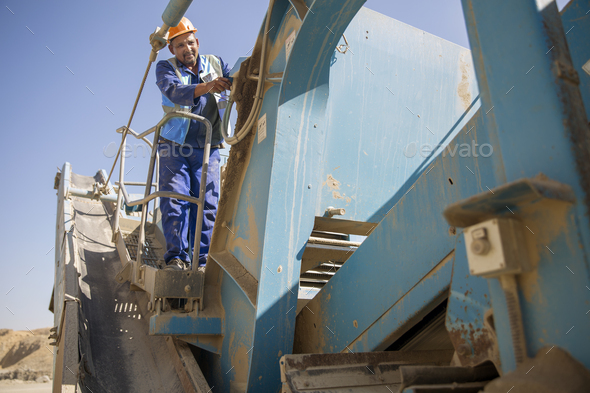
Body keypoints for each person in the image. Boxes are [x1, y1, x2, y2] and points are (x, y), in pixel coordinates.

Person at [155, 17, 232, 271]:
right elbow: (175, 92)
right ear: (171, 50)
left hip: (208, 146)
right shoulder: (165, 68)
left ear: (197, 41)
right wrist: (208, 87)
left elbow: (239, 79)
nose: (187, 49)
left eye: (190, 43)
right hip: (174, 145)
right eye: (179, 46)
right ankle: (177, 258)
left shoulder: (217, 63)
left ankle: (201, 261)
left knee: (208, 203)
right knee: (175, 197)